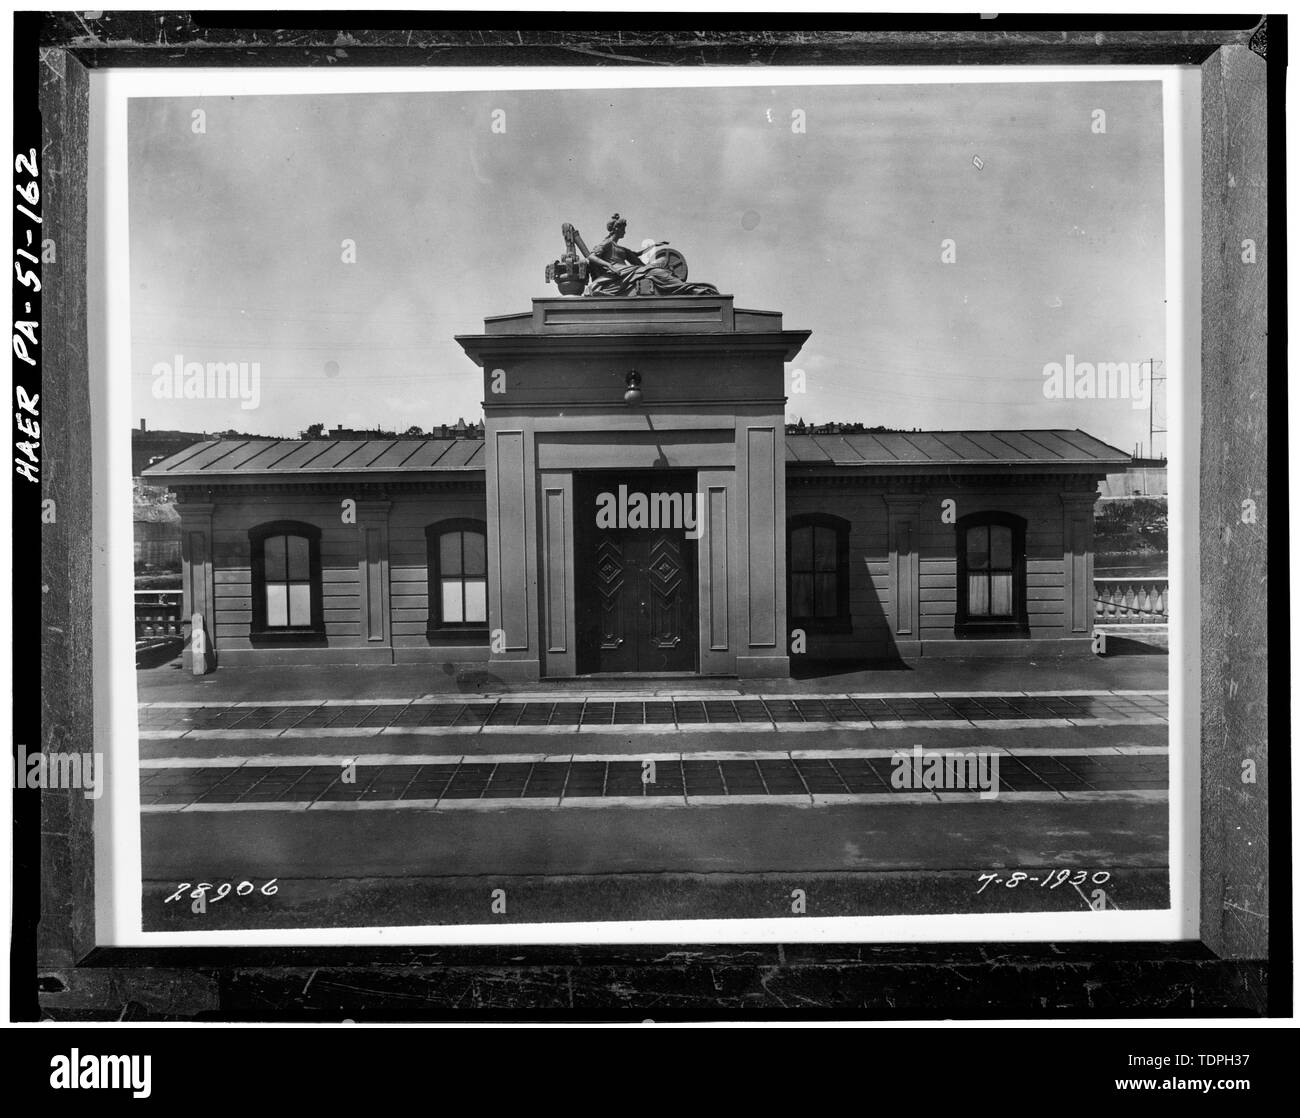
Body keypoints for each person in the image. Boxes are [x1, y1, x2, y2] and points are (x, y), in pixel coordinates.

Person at [584, 214, 719, 296]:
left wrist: (655, 245)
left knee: (662, 262)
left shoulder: (620, 247)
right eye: (624, 229)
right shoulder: (607, 243)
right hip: (621, 273)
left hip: (628, 271)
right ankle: (690, 290)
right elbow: (591, 257)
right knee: (655, 271)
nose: (625, 232)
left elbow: (635, 254)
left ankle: (683, 287)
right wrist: (609, 265)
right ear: (617, 229)